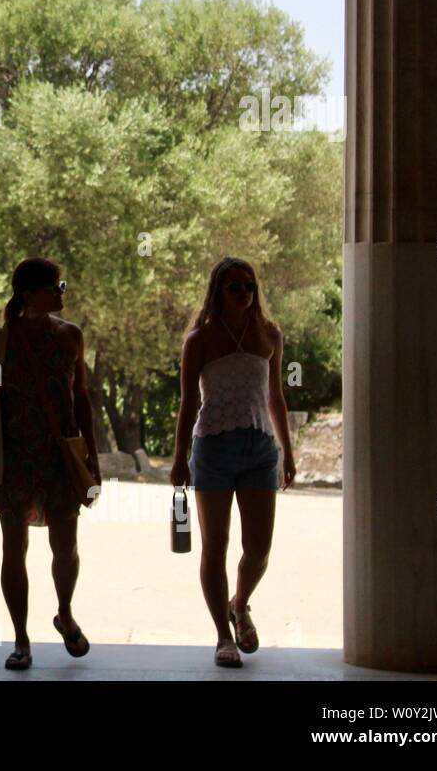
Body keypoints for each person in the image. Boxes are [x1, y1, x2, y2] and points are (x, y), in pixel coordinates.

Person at [0, 257, 101, 670]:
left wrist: (91, 457)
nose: (61, 292)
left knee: (66, 546)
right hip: (15, 456)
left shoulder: (71, 336)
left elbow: (81, 399)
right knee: (13, 548)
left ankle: (64, 612)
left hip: (60, 456)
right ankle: (21, 639)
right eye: (55, 286)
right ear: (29, 294)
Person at [171, 257, 297, 668]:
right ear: (218, 291)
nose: (244, 292)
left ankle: (239, 605)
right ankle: (223, 636)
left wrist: (287, 451)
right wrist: (178, 460)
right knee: (215, 546)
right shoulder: (200, 340)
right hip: (213, 449)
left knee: (259, 549)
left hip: (261, 449)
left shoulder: (270, 335)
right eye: (234, 286)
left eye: (249, 285)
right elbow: (189, 402)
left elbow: (276, 398)